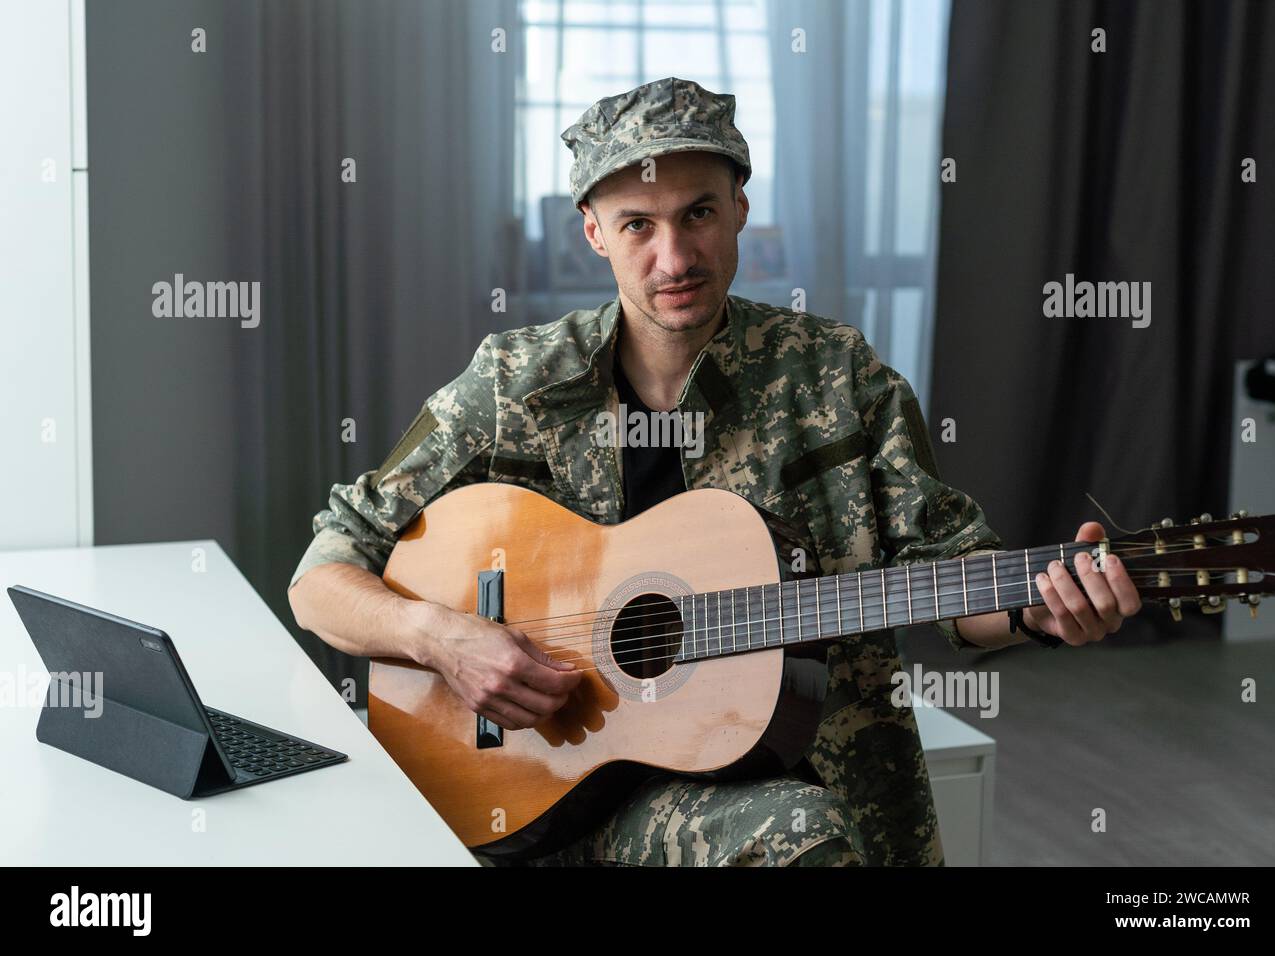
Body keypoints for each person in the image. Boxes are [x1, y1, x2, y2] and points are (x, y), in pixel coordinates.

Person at [286, 77, 1141, 866]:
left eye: (697, 213)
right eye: (637, 225)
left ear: (739, 208)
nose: (674, 258)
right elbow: (322, 577)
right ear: (594, 233)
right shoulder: (516, 384)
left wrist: (1037, 608)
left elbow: (952, 582)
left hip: (785, 784)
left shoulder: (838, 375)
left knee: (801, 832)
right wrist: (445, 639)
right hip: (549, 795)